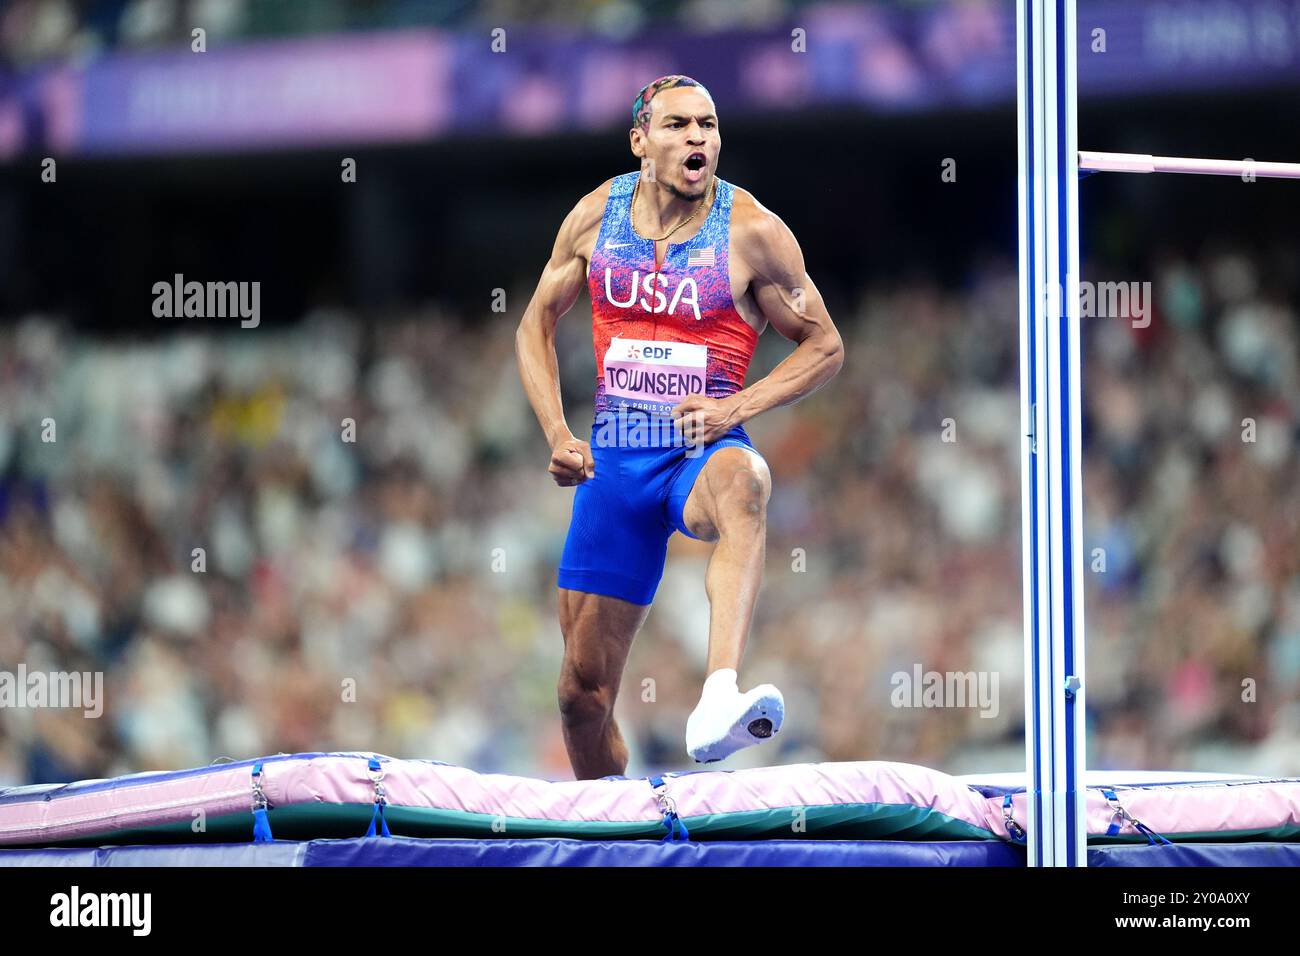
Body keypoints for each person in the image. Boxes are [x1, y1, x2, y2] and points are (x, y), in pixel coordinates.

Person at [516, 75, 843, 779]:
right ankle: (618, 836)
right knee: (580, 696)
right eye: (678, 125)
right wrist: (556, 434)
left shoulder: (754, 231)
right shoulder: (595, 216)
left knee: (748, 482)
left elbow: (825, 346)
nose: (698, 137)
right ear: (640, 141)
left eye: (709, 124)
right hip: (615, 466)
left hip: (701, 452)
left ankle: (718, 694)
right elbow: (534, 325)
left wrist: (734, 410)